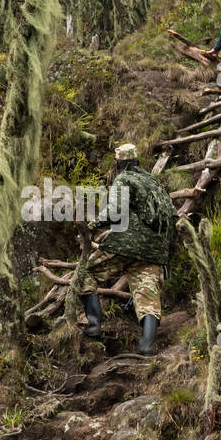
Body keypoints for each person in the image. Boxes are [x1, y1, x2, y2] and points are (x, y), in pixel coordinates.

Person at [79, 143, 176, 356]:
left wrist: (93, 225)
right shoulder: (155, 182)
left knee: (87, 273)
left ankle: (94, 324)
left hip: (126, 243)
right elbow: (173, 215)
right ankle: (146, 344)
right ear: (137, 162)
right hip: (156, 250)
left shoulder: (123, 179)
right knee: (147, 295)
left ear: (119, 163)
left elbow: (115, 212)